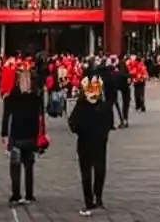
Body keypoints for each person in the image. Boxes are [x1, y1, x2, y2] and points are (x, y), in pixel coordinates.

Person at [69, 76, 113, 217]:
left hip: (84, 142)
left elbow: (73, 125)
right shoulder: (105, 106)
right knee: (100, 170)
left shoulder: (81, 106)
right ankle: (98, 197)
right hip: (100, 142)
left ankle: (89, 200)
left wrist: (81, 130)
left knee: (86, 171)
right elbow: (110, 123)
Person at [1, 66, 44, 206]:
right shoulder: (36, 96)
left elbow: (6, 116)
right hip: (31, 134)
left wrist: (4, 134)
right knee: (29, 165)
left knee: (15, 166)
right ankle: (29, 194)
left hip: (17, 135)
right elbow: (40, 116)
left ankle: (16, 194)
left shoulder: (13, 96)